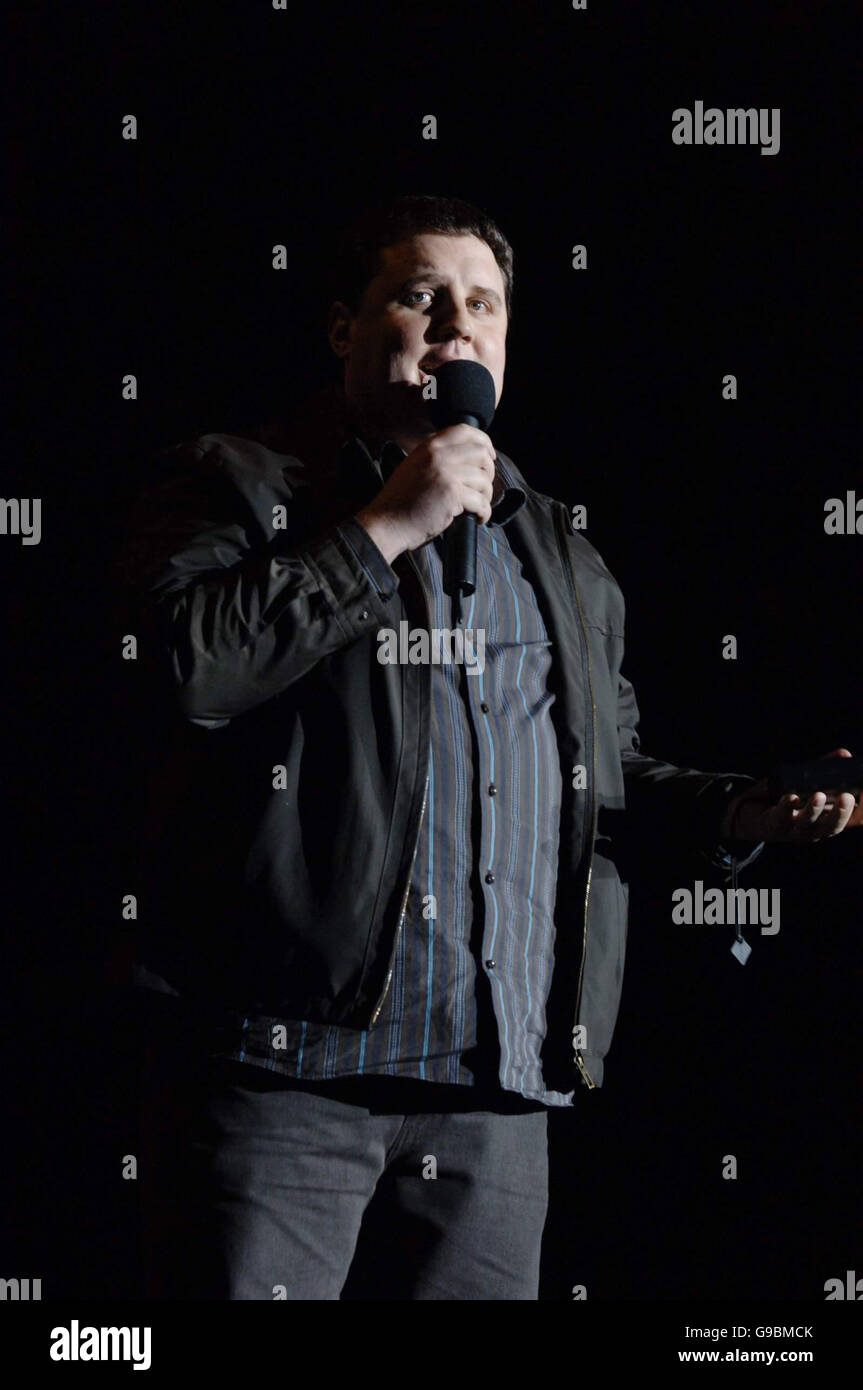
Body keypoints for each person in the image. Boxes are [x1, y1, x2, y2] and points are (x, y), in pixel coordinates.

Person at [121, 194, 861, 1301]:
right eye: (421, 295)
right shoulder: (244, 481)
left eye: (483, 303)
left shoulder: (563, 556)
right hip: (287, 1072)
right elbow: (183, 670)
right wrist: (381, 532)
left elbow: (605, 786)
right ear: (345, 327)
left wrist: (736, 812)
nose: (455, 323)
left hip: (496, 1092)